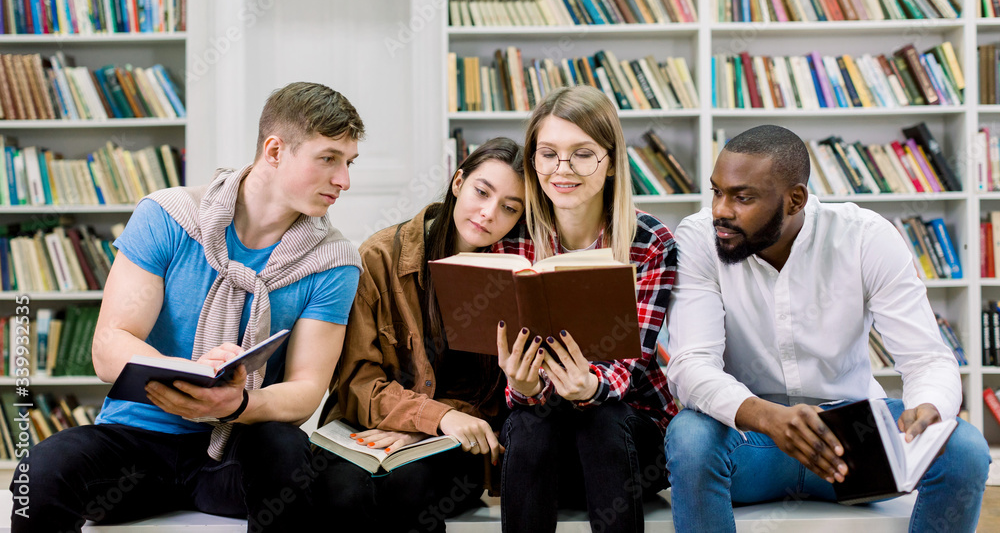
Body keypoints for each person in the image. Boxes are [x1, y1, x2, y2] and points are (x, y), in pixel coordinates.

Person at [12, 82, 366, 533]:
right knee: (40, 471)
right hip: (137, 444)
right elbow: (108, 347)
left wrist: (232, 404)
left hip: (234, 451)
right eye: (329, 158)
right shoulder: (168, 216)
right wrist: (191, 375)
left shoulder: (334, 261)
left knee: (287, 454)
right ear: (274, 151)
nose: (344, 180)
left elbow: (305, 389)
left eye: (349, 163)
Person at [664, 124, 991, 532]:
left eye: (742, 197)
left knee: (964, 449)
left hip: (851, 444)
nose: (720, 211)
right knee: (691, 438)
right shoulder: (699, 239)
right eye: (717, 192)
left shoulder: (865, 237)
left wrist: (928, 409)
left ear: (795, 199)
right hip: (751, 440)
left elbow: (926, 358)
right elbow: (691, 364)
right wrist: (770, 419)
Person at [311, 137, 526, 532]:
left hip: (456, 446)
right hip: (365, 432)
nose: (488, 213)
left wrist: (430, 429)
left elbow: (498, 399)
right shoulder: (380, 257)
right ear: (458, 182)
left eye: (510, 208)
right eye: (482, 192)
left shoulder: (514, 276)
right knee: (339, 492)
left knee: (410, 486)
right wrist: (432, 417)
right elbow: (357, 382)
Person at [493, 85, 676, 533]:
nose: (563, 169)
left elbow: (631, 365)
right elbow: (514, 373)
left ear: (611, 161)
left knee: (601, 418)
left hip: (630, 437)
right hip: (545, 440)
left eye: (582, 154)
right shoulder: (511, 240)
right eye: (548, 153)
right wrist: (523, 384)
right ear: (533, 161)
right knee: (530, 425)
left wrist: (590, 388)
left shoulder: (650, 242)